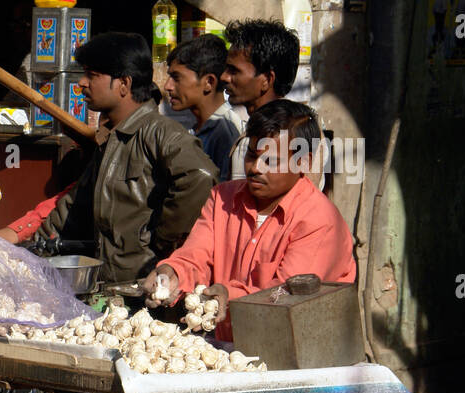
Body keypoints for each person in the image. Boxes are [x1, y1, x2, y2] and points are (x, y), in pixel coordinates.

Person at [0, 32, 216, 282]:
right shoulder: (110, 140)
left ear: (124, 84)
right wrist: (26, 251)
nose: (82, 83)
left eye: (93, 75)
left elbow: (200, 176)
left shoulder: (158, 132)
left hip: (142, 286)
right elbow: (73, 207)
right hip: (110, 285)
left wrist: (160, 239)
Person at [142, 99, 355, 341]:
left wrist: (227, 294)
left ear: (302, 163)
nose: (255, 168)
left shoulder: (320, 221)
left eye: (271, 161)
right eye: (252, 156)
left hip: (297, 355)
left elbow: (283, 296)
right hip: (230, 349)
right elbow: (195, 256)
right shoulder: (223, 198)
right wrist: (172, 273)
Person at [220, 19, 300, 180]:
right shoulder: (254, 129)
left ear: (266, 79)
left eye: (234, 71)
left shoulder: (289, 135)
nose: (224, 77)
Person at [164, 34, 241, 180]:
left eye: (176, 78)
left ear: (209, 82)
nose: (167, 86)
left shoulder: (225, 132)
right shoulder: (197, 129)